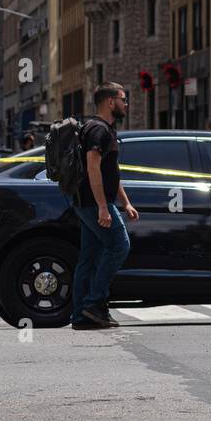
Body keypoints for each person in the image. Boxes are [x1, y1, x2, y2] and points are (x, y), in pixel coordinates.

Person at [70, 83, 139, 330]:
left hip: (87, 201)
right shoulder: (99, 130)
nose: (126, 104)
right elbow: (93, 168)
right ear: (110, 102)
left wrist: (126, 202)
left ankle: (81, 316)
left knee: (88, 258)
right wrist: (102, 206)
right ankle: (94, 303)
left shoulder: (98, 128)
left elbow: (111, 172)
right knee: (120, 246)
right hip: (93, 203)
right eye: (123, 99)